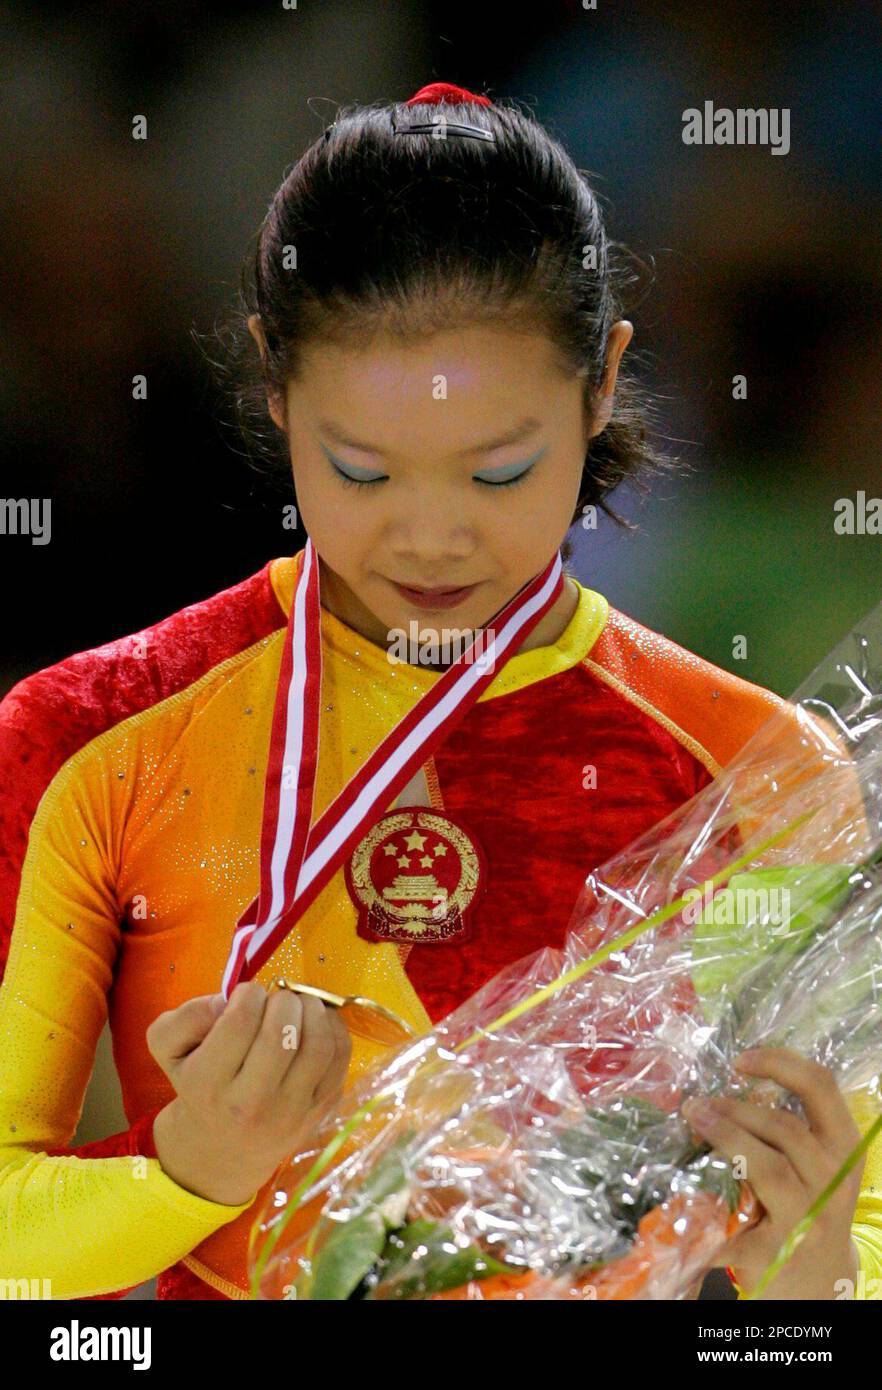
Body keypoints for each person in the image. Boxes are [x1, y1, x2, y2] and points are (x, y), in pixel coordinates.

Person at [0, 82, 878, 1303]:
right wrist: (189, 1171)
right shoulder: (96, 735)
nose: (431, 539)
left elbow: (845, 1255)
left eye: (499, 469)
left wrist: (814, 1276)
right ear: (272, 384)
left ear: (605, 382)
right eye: (359, 470)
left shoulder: (758, 769)